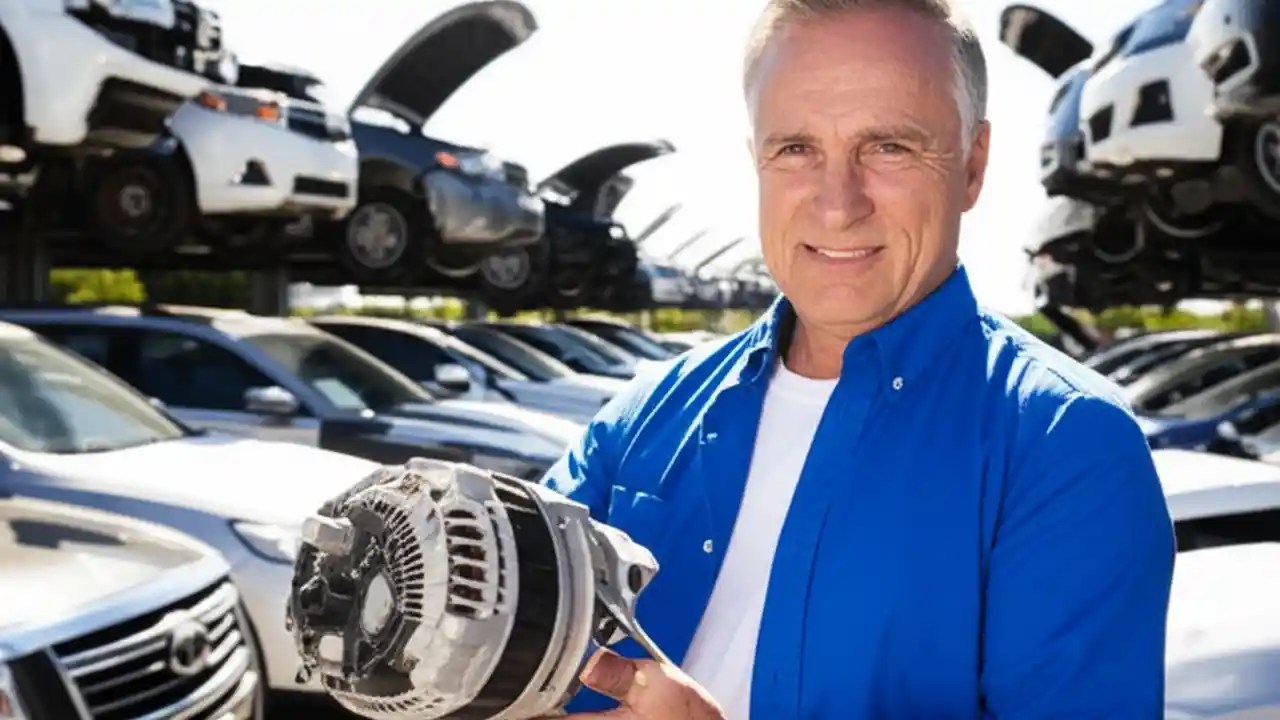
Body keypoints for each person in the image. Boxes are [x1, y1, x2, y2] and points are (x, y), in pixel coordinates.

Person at [545, 1, 1176, 717]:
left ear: (972, 166)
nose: (838, 205)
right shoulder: (641, 417)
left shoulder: (1066, 446)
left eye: (889, 147)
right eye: (796, 149)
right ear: (756, 157)